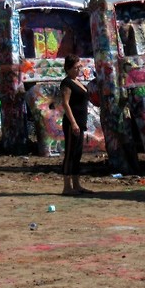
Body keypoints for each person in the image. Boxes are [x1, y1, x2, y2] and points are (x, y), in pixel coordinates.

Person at [60, 54, 91, 195]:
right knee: (70, 153)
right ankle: (67, 186)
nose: (78, 69)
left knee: (77, 153)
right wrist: (73, 123)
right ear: (68, 68)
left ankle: (77, 184)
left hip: (81, 121)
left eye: (79, 67)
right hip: (72, 122)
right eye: (76, 67)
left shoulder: (78, 81)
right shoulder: (67, 83)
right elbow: (65, 104)